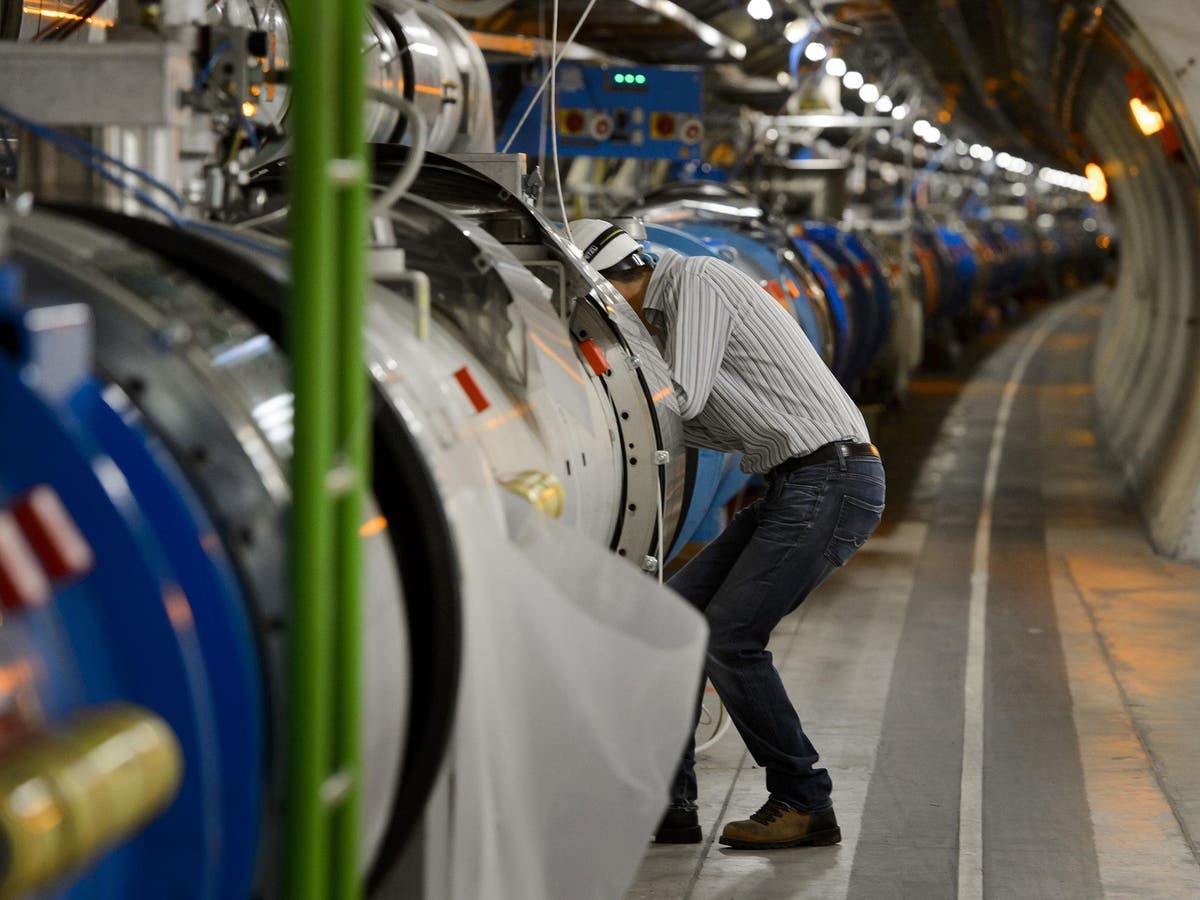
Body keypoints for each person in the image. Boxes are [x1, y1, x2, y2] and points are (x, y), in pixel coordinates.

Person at [569, 218, 886, 850]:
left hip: (832, 475)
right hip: (795, 482)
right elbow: (692, 422)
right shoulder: (666, 320)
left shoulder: (697, 280)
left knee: (731, 637)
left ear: (607, 284)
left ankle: (803, 799)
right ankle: (669, 805)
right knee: (675, 622)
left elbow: (677, 401)